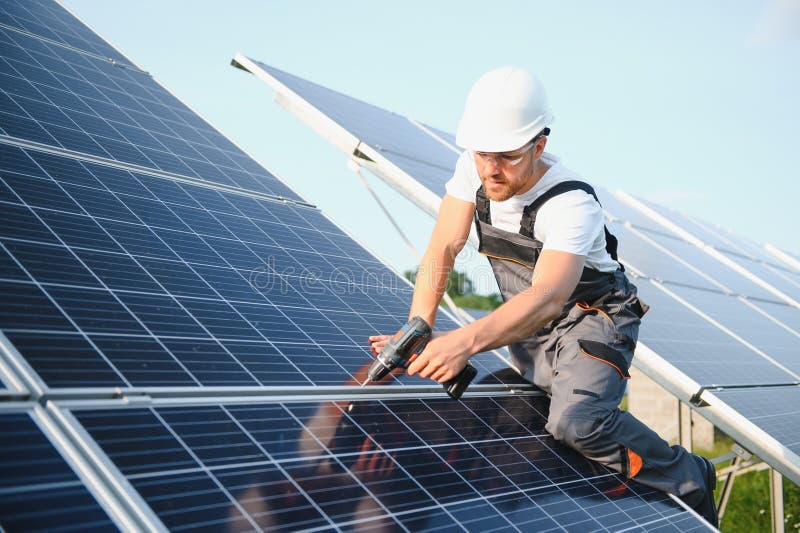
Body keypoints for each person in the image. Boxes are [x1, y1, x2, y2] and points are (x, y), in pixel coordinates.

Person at [369, 66, 718, 527]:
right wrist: (419, 326)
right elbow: (443, 246)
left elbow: (549, 295)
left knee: (577, 423)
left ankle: (688, 473)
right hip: (531, 321)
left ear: (539, 145)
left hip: (592, 317)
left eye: (508, 156)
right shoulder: (472, 170)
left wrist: (464, 342)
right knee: (523, 420)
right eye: (482, 154)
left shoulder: (570, 203)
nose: (492, 168)